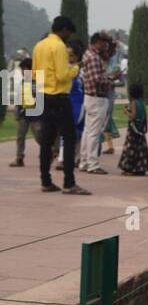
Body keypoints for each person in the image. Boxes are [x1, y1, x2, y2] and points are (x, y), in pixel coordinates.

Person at [31, 16, 90, 194]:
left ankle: (45, 181)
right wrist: (76, 67)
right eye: (68, 32)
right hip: (59, 97)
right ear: (63, 30)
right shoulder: (59, 47)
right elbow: (63, 75)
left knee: (46, 141)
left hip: (43, 95)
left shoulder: (39, 45)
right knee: (69, 138)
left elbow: (34, 74)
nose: (68, 36)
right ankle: (69, 183)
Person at [79, 32, 113, 174]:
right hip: (97, 97)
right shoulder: (94, 58)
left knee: (88, 131)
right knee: (94, 132)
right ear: (97, 42)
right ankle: (92, 164)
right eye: (103, 43)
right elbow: (95, 79)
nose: (105, 46)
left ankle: (84, 161)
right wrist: (110, 78)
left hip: (90, 96)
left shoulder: (88, 54)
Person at [118, 82, 148, 176]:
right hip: (140, 129)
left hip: (133, 129)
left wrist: (126, 112)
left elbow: (132, 116)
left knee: (131, 148)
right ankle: (141, 168)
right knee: (141, 148)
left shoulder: (133, 103)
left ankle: (130, 168)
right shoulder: (142, 102)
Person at [8, 57, 37, 167]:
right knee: (20, 137)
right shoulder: (22, 82)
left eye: (23, 69)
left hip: (35, 115)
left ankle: (52, 152)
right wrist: (17, 113)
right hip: (23, 115)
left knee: (40, 137)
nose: (21, 72)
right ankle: (19, 157)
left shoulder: (37, 81)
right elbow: (19, 100)